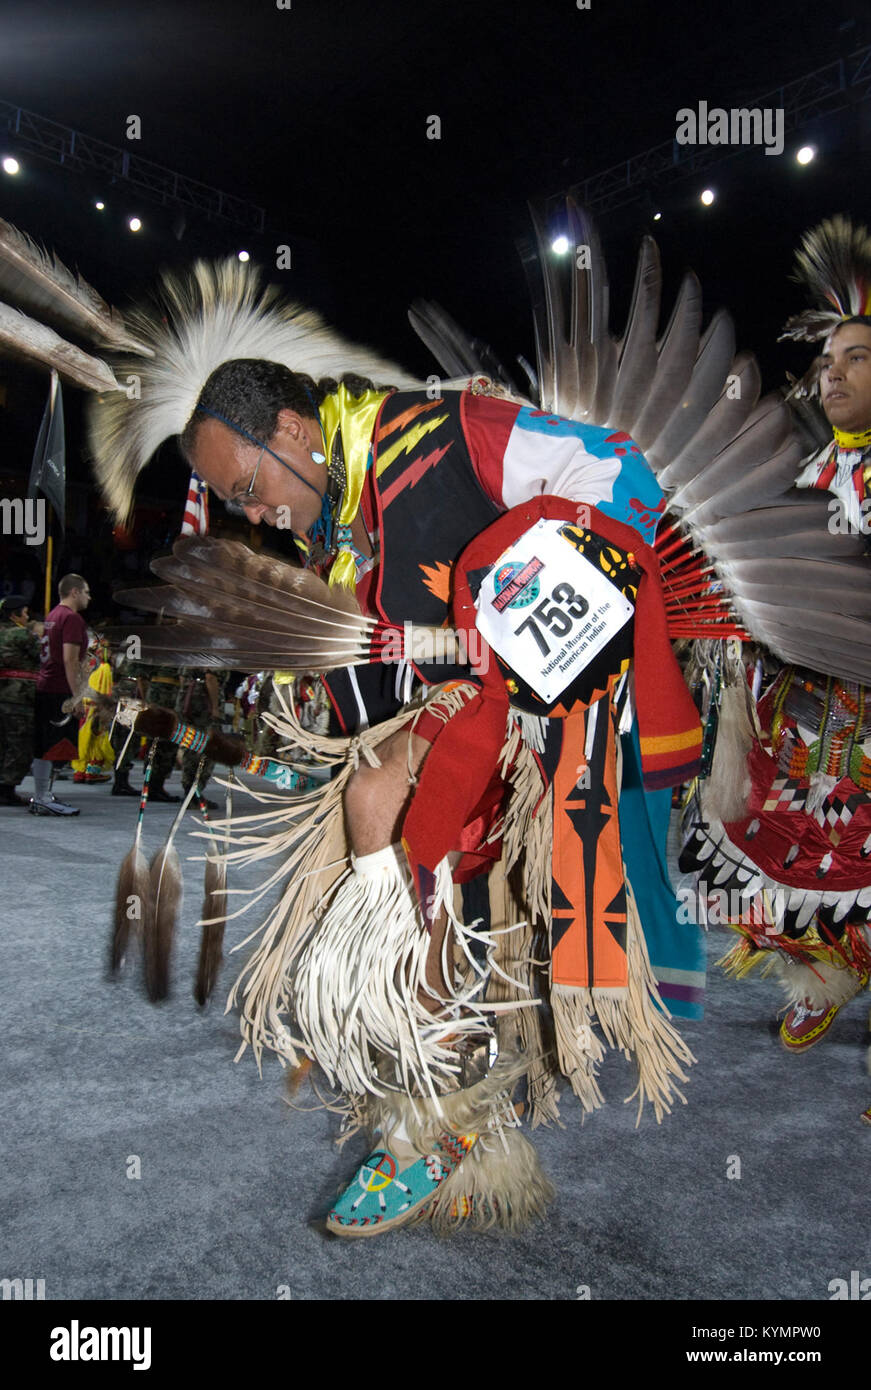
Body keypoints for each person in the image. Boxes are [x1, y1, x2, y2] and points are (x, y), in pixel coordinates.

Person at [93, 315, 701, 1236]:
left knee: (377, 797)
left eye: (249, 488)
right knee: (373, 835)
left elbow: (617, 468)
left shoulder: (439, 433)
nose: (253, 515)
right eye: (234, 503)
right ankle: (448, 1095)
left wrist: (545, 598)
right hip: (467, 733)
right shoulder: (340, 532)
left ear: (293, 429)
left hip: (534, 712)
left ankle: (444, 1084)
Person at [686, 221, 871, 1089]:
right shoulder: (803, 476)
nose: (832, 374)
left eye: (857, 360)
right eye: (828, 361)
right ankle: (825, 970)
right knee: (789, 840)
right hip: (796, 715)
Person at [30, 573, 91, 816]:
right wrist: (75, 697)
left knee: (47, 744)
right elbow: (69, 659)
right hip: (58, 689)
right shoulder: (71, 618)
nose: (89, 597)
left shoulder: (52, 616)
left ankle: (43, 795)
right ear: (74, 592)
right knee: (53, 746)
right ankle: (42, 796)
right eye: (86, 591)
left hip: (46, 685)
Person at [0, 595, 41, 806]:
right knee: (20, 744)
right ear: (15, 614)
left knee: (3, 743)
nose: (27, 617)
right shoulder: (22, 634)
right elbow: (41, 656)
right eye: (25, 613)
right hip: (18, 697)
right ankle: (6, 788)